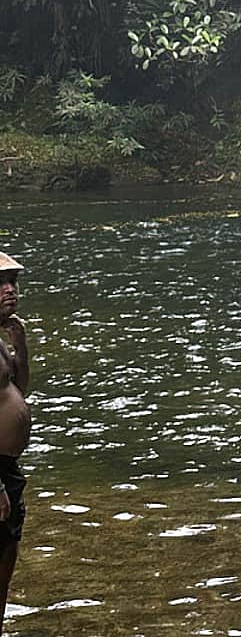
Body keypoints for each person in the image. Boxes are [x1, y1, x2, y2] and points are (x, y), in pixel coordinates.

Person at [0, 252, 30, 628]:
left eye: (13, 282)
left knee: (6, 555)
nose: (10, 290)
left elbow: (18, 389)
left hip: (7, 467)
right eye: (0, 285)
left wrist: (20, 344)